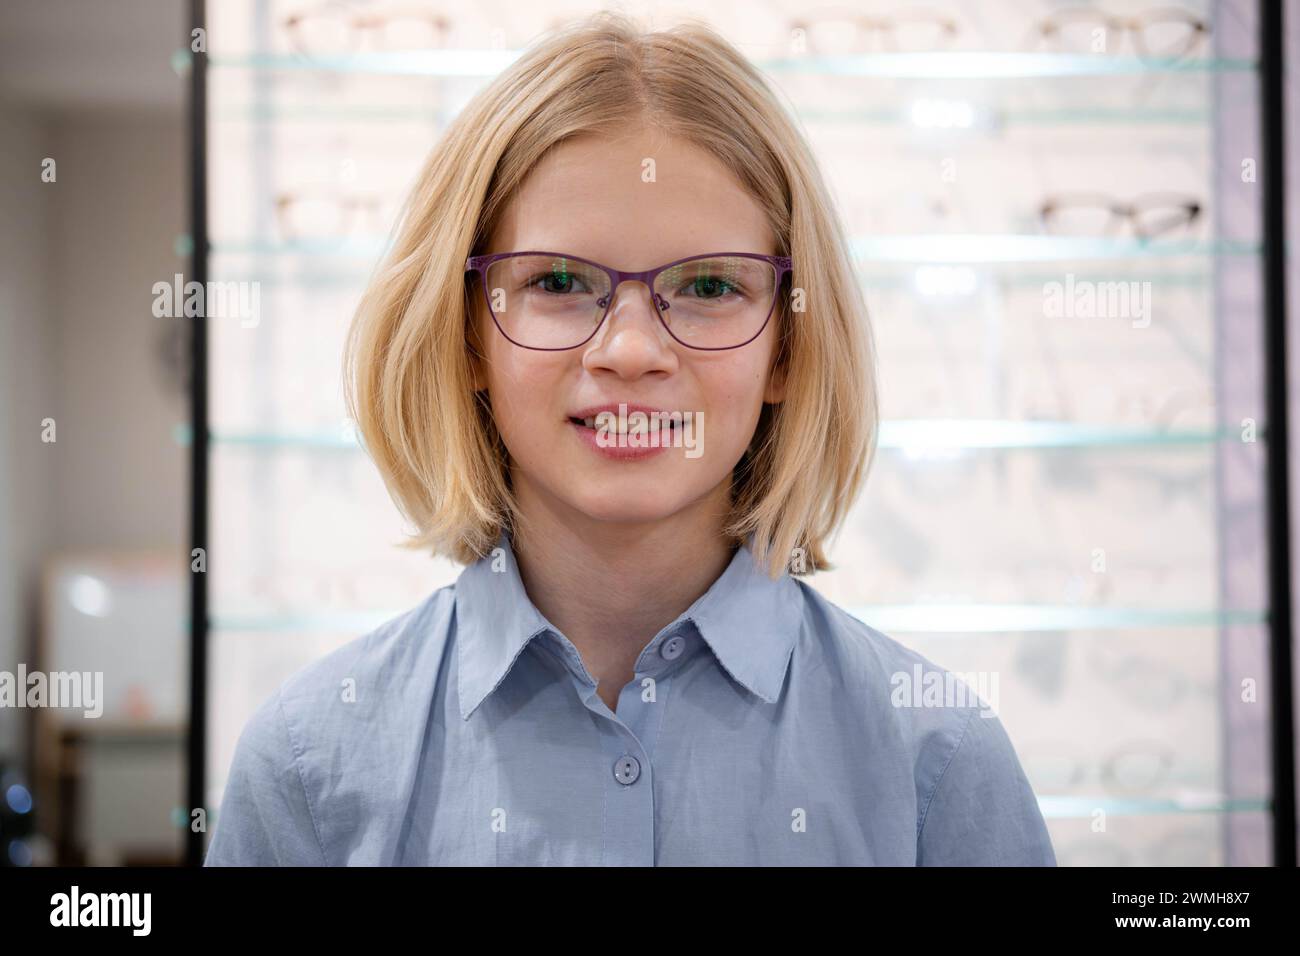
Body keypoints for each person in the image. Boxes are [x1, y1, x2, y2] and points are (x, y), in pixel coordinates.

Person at [205, 11, 1055, 866]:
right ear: (467, 336)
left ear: (789, 345)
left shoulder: (938, 767)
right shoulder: (307, 769)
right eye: (561, 282)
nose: (631, 351)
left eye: (711, 285)